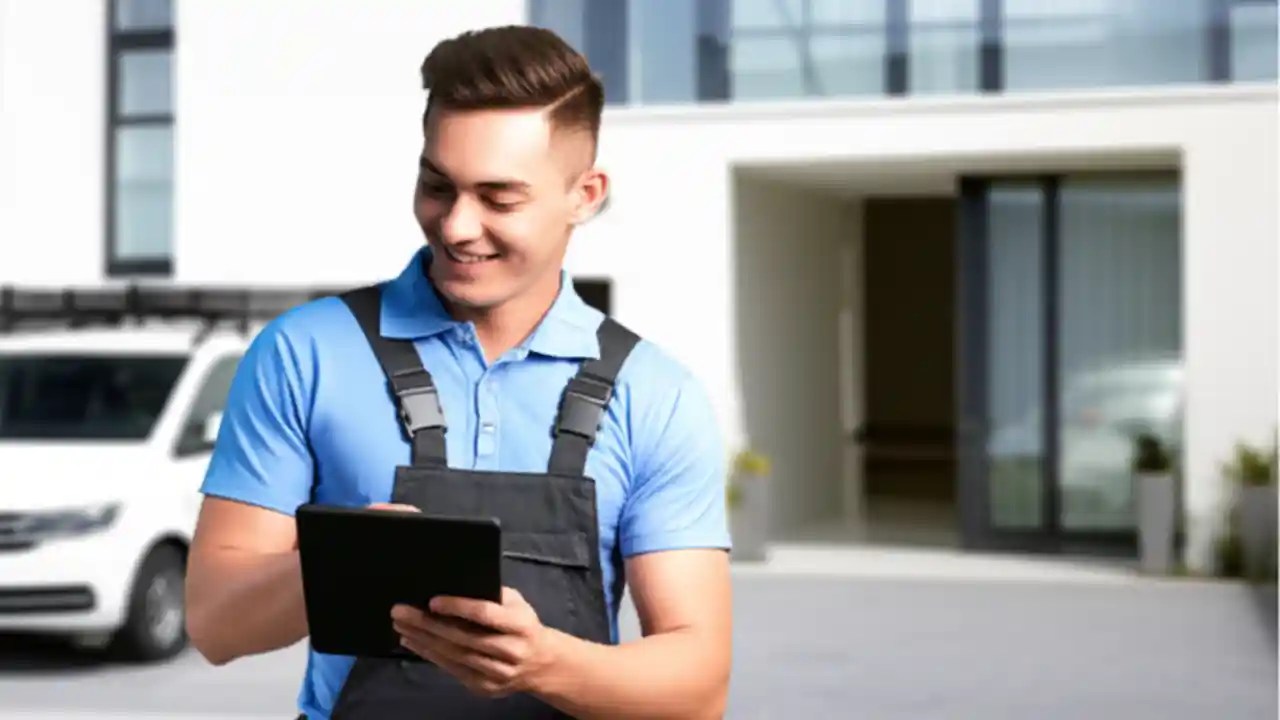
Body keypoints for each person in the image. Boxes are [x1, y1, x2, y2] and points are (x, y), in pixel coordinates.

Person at [184, 24, 733, 720]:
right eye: (437, 186)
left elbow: (699, 688)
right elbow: (215, 625)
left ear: (585, 195)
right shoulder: (303, 354)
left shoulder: (654, 392)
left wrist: (543, 664)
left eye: (499, 198)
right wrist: (348, 559)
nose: (456, 226)